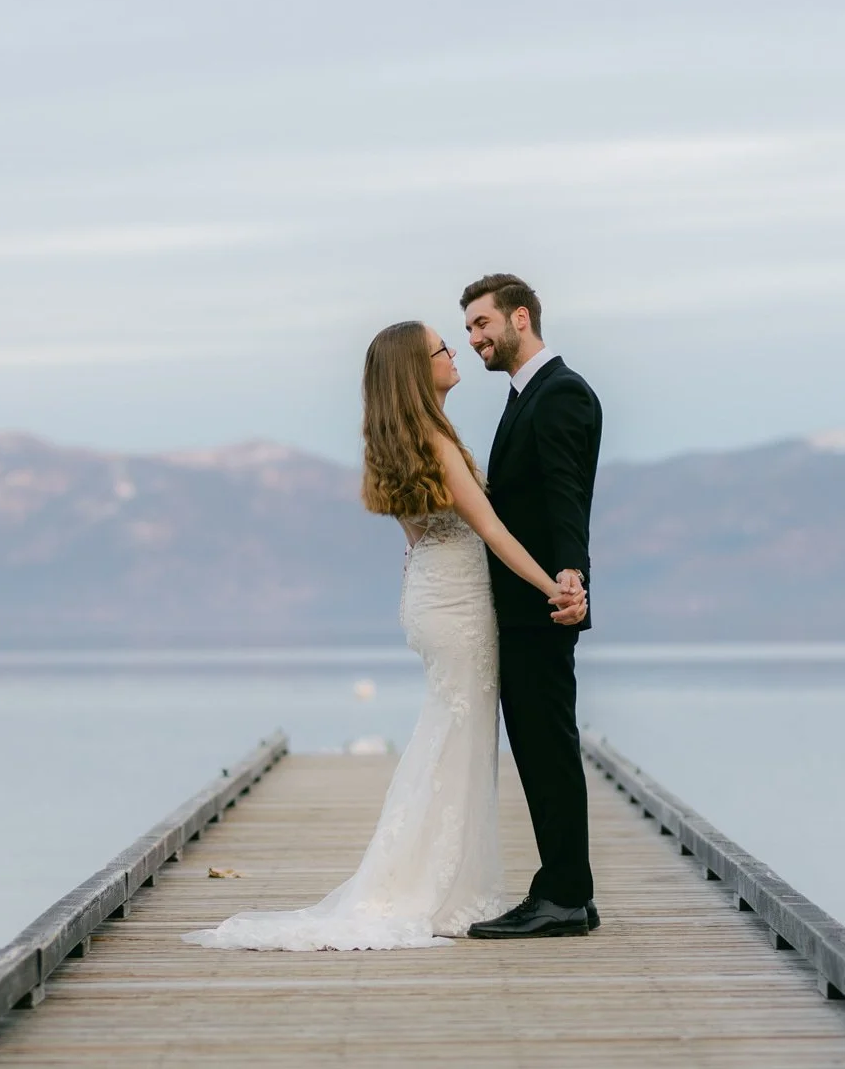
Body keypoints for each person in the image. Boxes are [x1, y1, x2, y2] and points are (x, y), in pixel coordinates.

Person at [183, 320, 582, 951]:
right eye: (441, 349)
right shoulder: (437, 441)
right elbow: (494, 532)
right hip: (458, 605)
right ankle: (429, 888)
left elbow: (419, 536)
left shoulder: (398, 440)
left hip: (429, 592)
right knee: (458, 736)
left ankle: (446, 882)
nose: (454, 353)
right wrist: (553, 588)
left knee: (453, 733)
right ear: (416, 371)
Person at [460, 273, 602, 940]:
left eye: (481, 324)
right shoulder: (526, 396)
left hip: (542, 605)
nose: (474, 339)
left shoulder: (561, 393)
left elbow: (566, 493)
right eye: (467, 331)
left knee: (548, 750)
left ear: (521, 318)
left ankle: (565, 897)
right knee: (542, 748)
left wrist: (570, 575)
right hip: (525, 605)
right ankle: (569, 888)